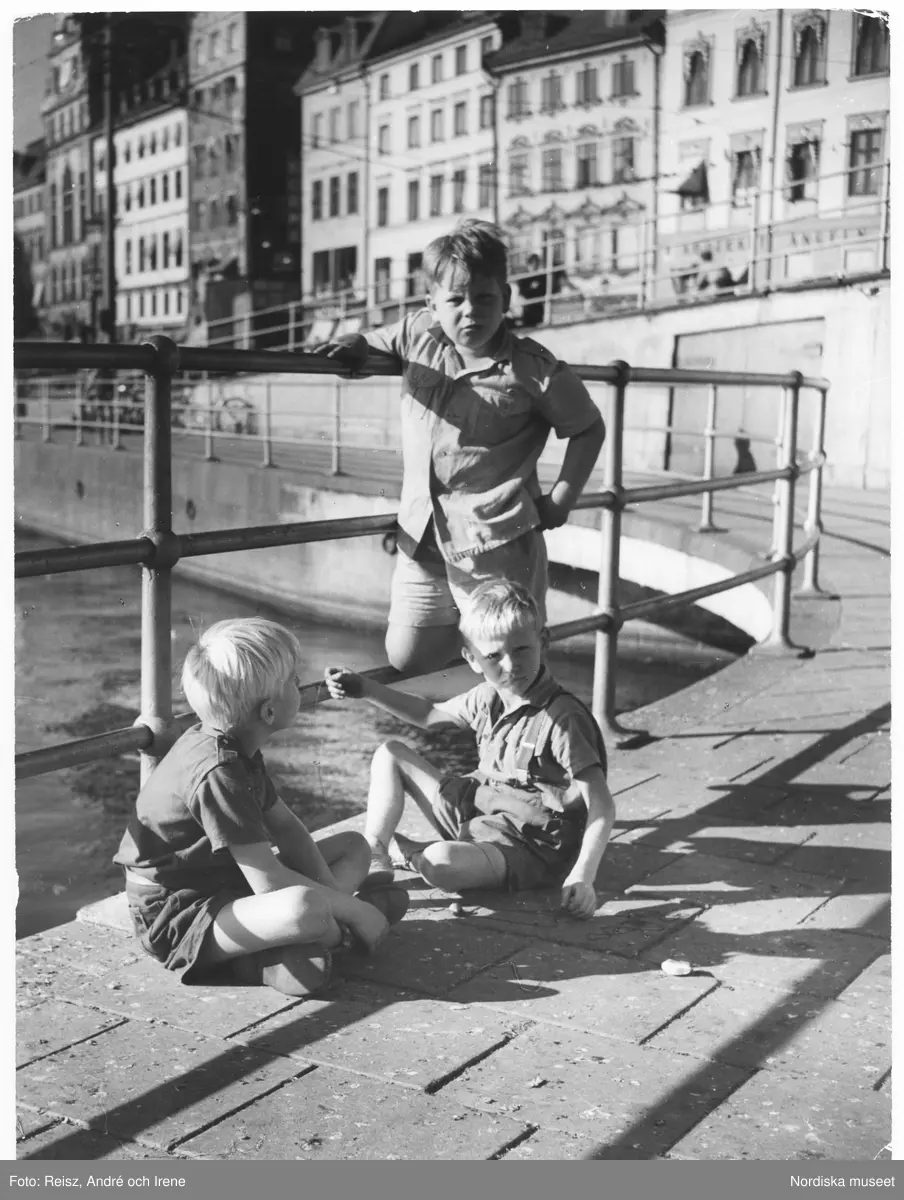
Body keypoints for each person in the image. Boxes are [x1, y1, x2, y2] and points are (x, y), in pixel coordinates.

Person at [312, 219, 606, 675]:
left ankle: (517, 730)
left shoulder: (532, 367)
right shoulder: (417, 334)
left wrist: (561, 503)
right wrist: (352, 344)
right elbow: (371, 342)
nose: (470, 311)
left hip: (496, 540)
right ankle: (474, 663)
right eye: (455, 300)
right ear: (432, 303)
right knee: (405, 656)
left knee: (512, 666)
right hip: (422, 533)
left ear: (506, 300)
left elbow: (589, 428)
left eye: (484, 298)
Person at [114, 617, 409, 997]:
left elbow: (287, 829)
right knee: (305, 907)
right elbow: (268, 880)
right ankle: (280, 955)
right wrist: (350, 912)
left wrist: (335, 895)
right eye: (291, 680)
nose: (299, 684)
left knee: (354, 845)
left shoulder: (238, 749)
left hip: (224, 881)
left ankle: (311, 939)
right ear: (268, 712)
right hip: (179, 914)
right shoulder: (219, 772)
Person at [324, 581, 616, 919]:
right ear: (472, 659)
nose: (510, 666)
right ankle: (375, 851)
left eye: (521, 649)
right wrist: (366, 688)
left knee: (440, 864)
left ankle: (413, 853)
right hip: (479, 811)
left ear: (543, 642)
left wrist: (583, 875)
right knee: (390, 753)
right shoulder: (487, 697)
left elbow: (602, 806)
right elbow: (428, 715)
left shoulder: (564, 720)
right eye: (493, 656)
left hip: (529, 846)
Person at [516, 252, 548, 328]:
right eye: (533, 263)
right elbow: (522, 293)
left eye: (537, 263)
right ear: (529, 264)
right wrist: (532, 288)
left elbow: (544, 292)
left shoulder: (541, 277)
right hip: (527, 309)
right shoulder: (523, 277)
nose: (535, 266)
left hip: (538, 309)